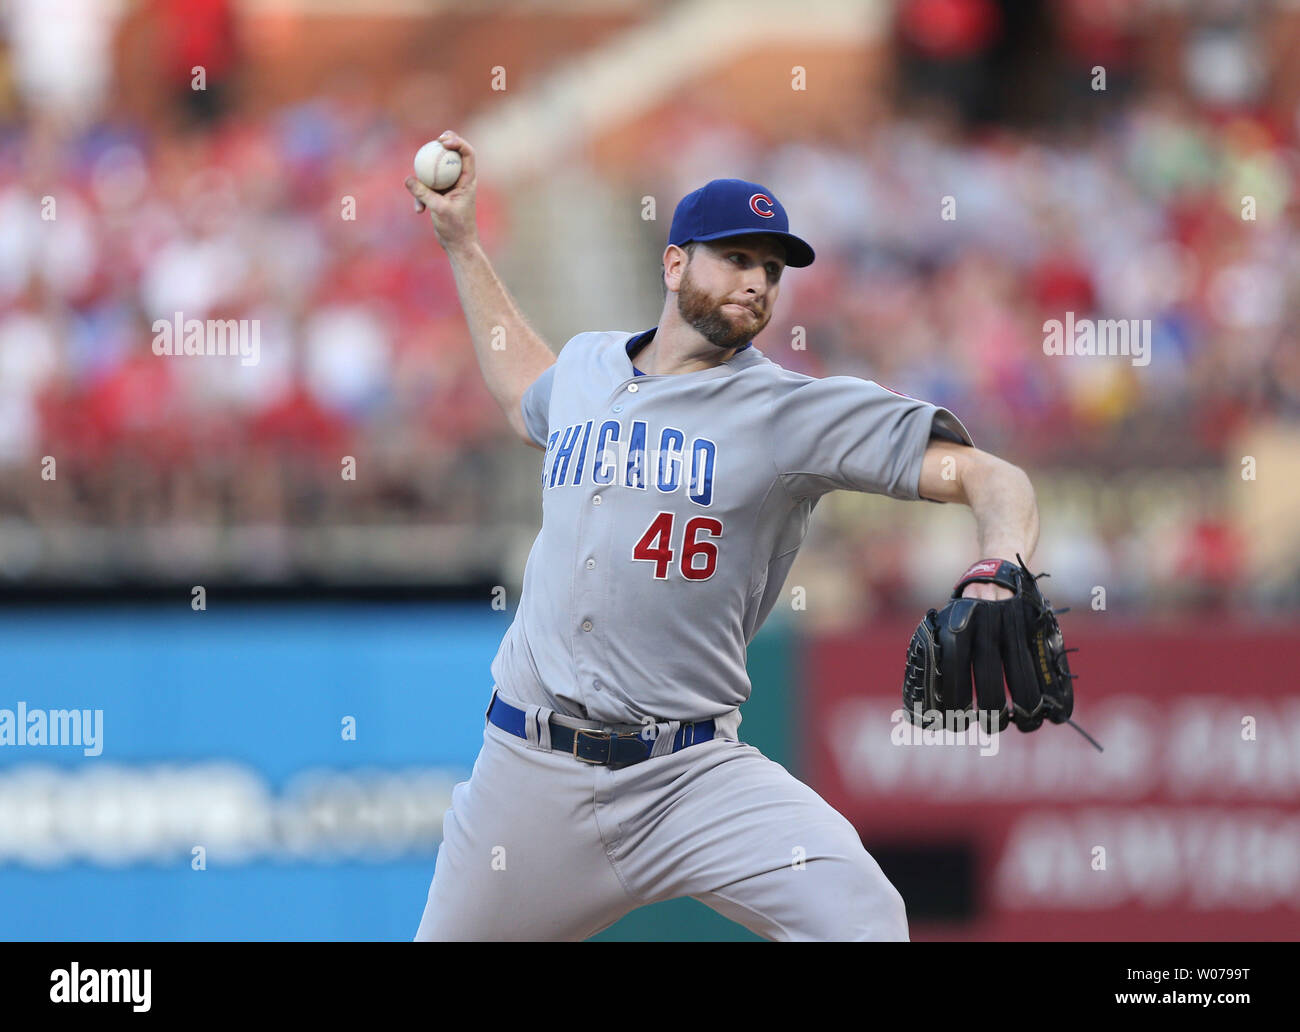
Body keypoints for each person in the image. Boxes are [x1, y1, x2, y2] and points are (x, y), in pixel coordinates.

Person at [403, 131, 1038, 942]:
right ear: (674, 265)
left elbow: (992, 477)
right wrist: (461, 241)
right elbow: (525, 390)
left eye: (771, 270)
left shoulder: (791, 414)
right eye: (735, 258)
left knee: (865, 916)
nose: (756, 282)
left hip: (690, 776)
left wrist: (1000, 565)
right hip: (529, 774)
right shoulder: (590, 368)